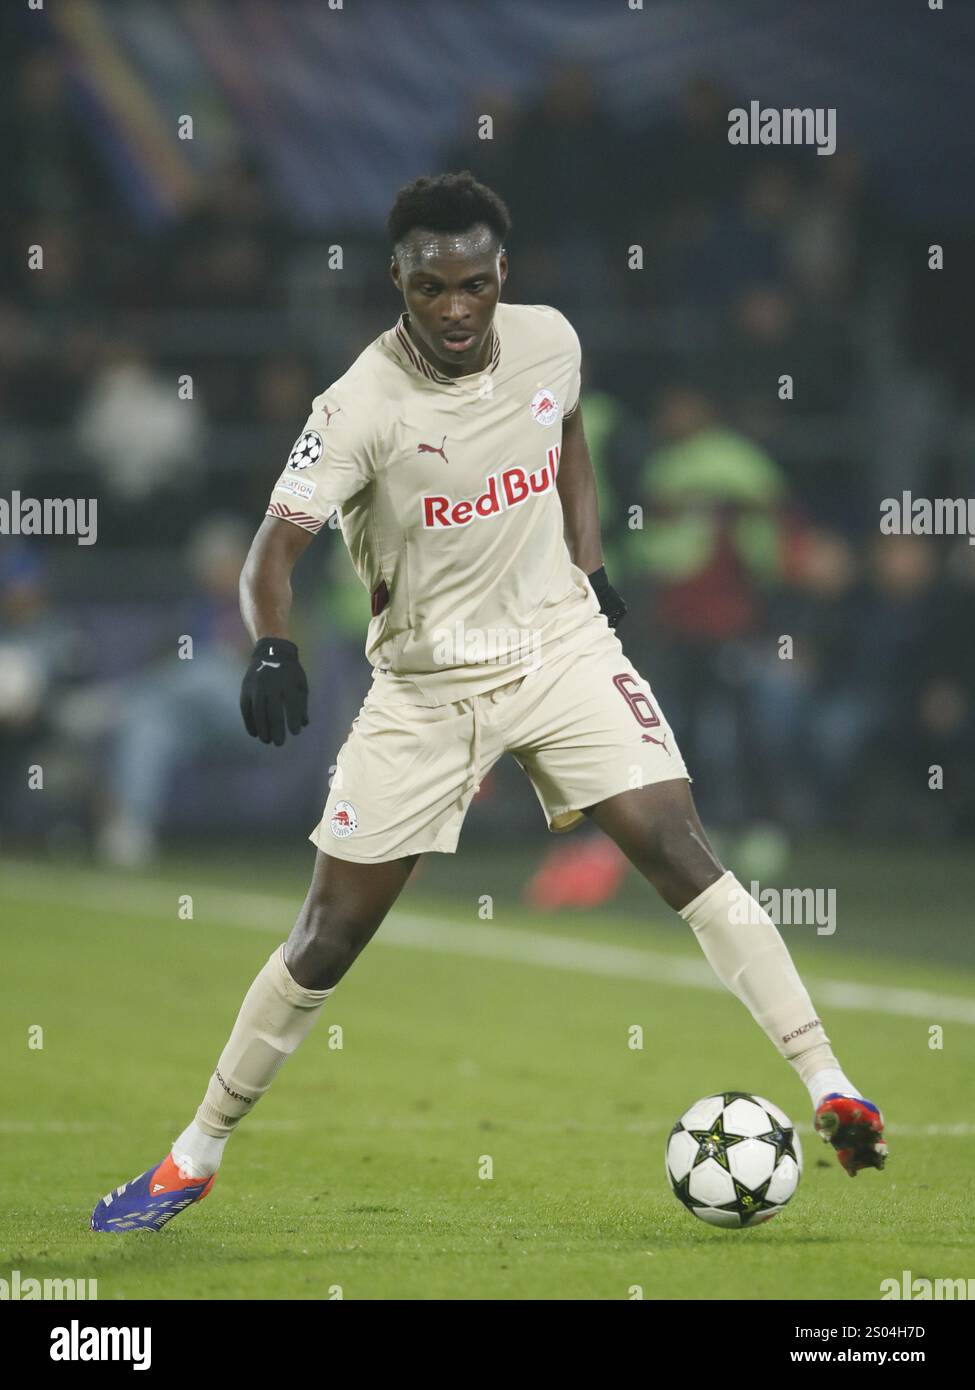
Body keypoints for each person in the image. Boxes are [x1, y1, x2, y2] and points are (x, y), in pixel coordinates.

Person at [91, 172, 885, 1234]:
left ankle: (831, 1082)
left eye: (473, 284)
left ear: (502, 275)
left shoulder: (551, 340)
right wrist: (273, 645)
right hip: (425, 687)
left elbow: (566, 444)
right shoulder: (359, 405)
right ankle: (194, 1154)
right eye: (431, 288)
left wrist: (591, 568)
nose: (456, 308)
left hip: (560, 646)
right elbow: (271, 550)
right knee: (328, 935)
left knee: (680, 845)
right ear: (399, 283)